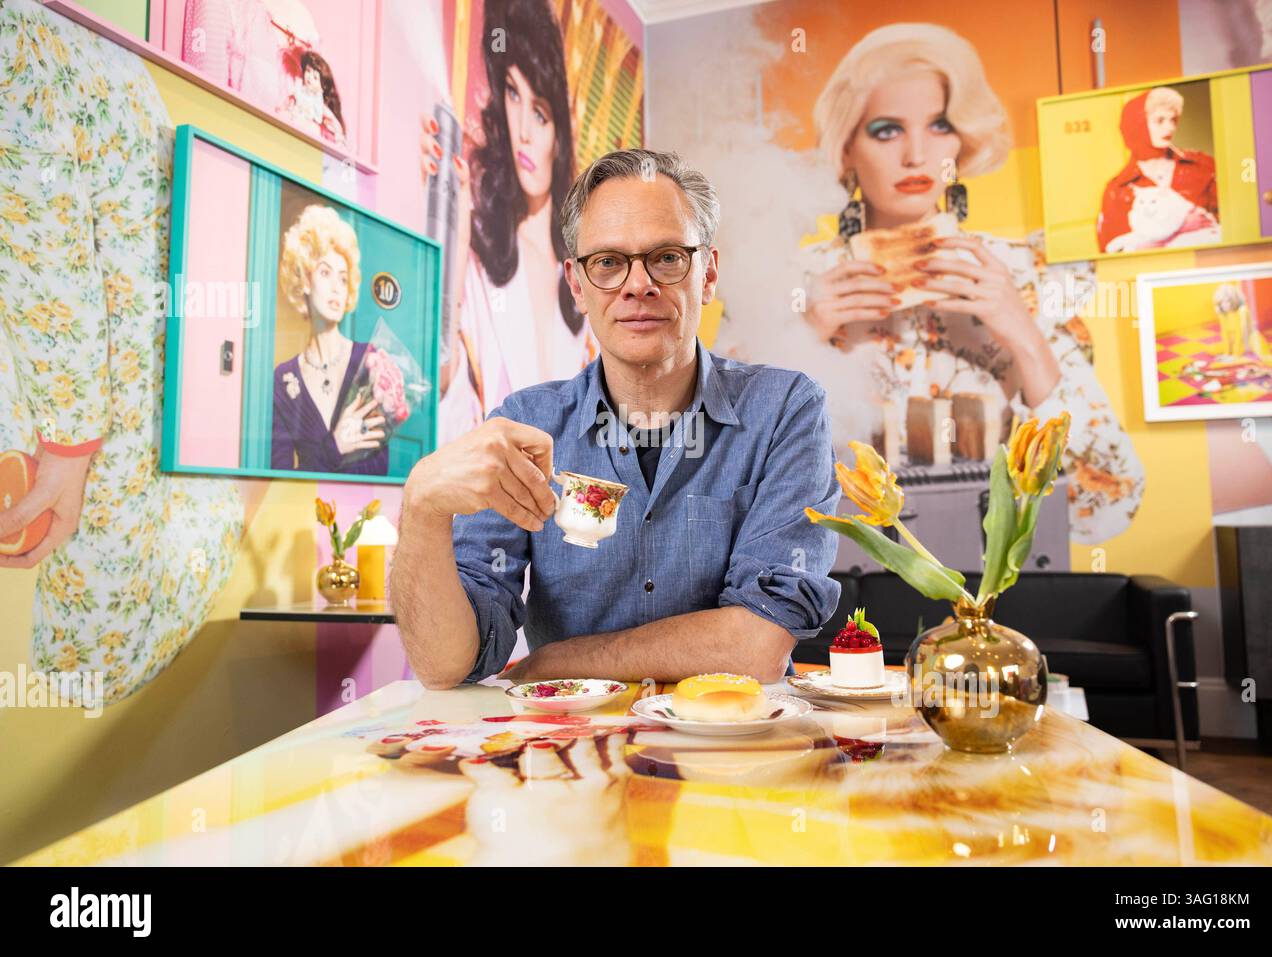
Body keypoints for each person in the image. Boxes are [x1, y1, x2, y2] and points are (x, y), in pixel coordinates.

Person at [392, 149, 842, 687]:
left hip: (734, 734)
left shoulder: (786, 410)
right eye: (608, 262)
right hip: (568, 740)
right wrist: (422, 509)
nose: (637, 284)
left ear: (708, 274)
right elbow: (446, 665)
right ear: (576, 285)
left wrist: (557, 661)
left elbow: (757, 645)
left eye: (667, 257)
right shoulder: (525, 424)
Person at [716, 22, 1144, 544]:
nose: (916, 154)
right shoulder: (785, 279)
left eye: (940, 124)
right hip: (831, 575)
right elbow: (716, 482)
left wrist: (1022, 333)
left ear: (963, 140)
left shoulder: (1023, 270)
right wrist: (801, 334)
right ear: (847, 148)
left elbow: (1108, 498)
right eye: (886, 130)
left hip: (993, 575)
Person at [0, 0, 244, 703]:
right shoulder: (50, 43)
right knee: (93, 653)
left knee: (92, 656)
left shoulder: (20, 43)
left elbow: (48, 249)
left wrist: (68, 446)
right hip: (124, 321)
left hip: (110, 347)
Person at [423, 0, 598, 443]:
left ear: (560, 133)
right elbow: (448, 416)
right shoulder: (480, 263)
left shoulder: (584, 278)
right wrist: (452, 247)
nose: (523, 130)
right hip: (492, 485)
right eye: (513, 94)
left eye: (539, 113)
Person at [271, 205, 388, 475]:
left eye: (343, 278)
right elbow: (280, 476)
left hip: (363, 503)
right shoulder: (284, 380)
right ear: (305, 280)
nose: (336, 287)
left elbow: (380, 466)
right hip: (306, 504)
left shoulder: (369, 360)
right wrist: (334, 448)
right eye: (325, 273)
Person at [1096, 87, 1218, 253]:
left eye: (1173, 120)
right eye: (1160, 120)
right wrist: (1180, 228)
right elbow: (1112, 253)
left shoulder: (1202, 165)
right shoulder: (1117, 190)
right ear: (1138, 124)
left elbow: (1231, 221)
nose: (1170, 128)